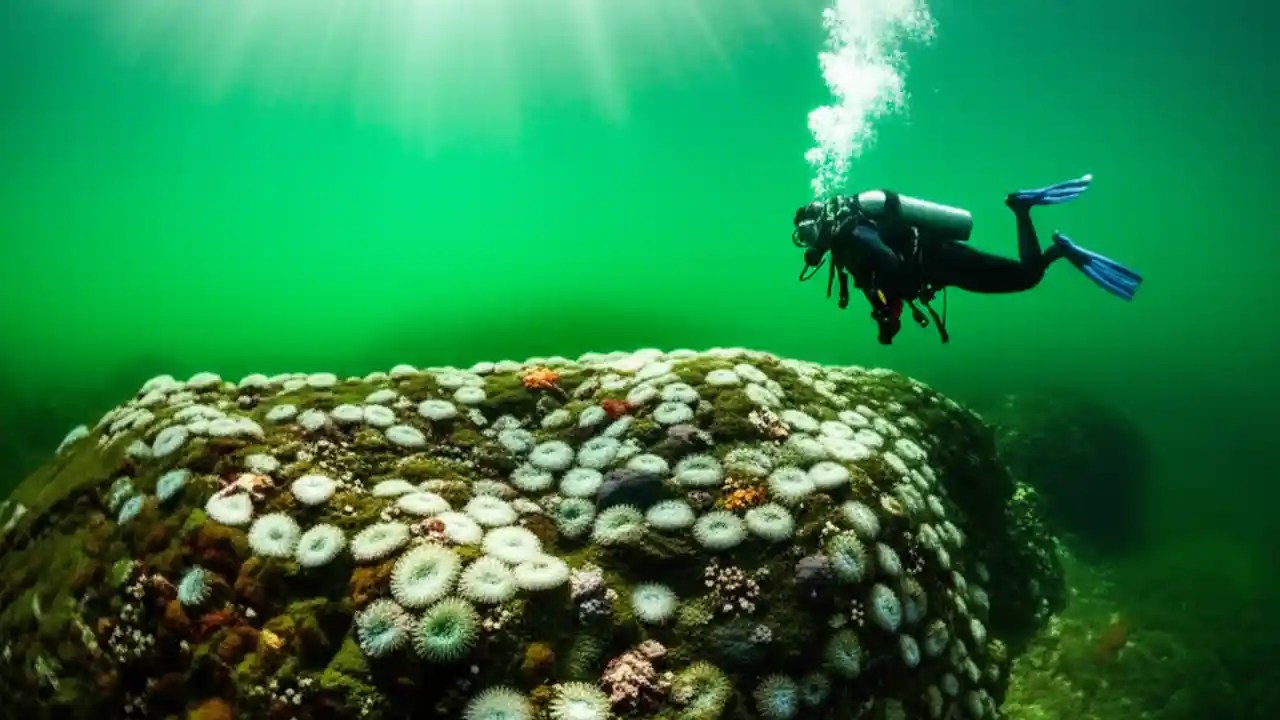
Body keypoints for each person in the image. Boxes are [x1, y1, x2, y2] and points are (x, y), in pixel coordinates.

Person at [791, 173, 1143, 344]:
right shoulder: (845, 244)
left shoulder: (851, 233)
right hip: (938, 264)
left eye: (806, 234)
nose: (809, 244)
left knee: (1026, 277)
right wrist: (887, 315)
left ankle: (1023, 210)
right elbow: (883, 277)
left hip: (940, 259)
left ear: (819, 223)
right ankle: (1055, 248)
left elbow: (888, 265)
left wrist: (884, 304)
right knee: (1025, 276)